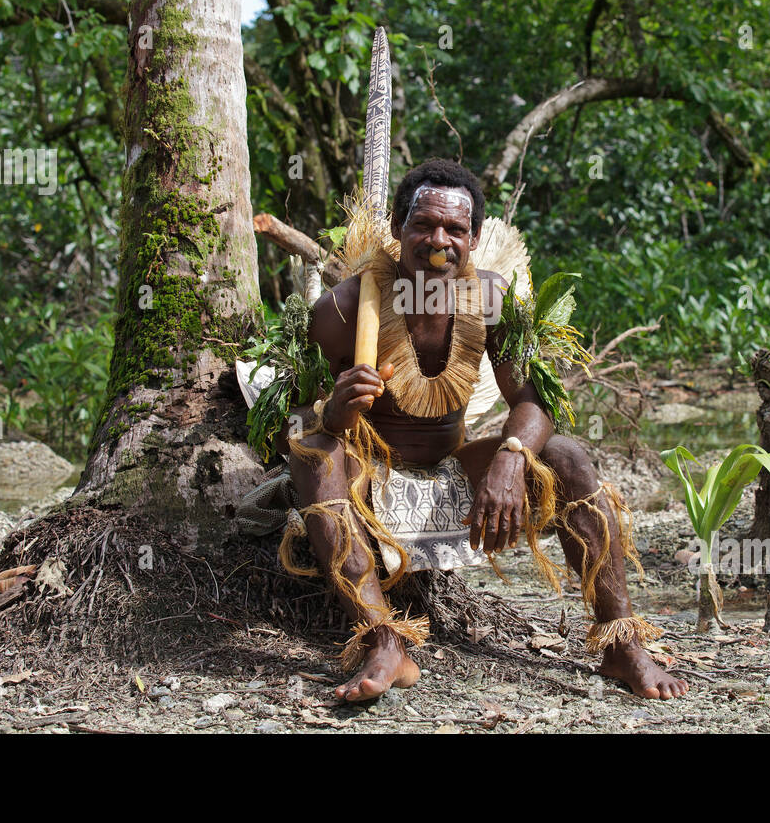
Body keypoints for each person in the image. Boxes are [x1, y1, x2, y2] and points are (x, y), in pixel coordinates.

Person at [283, 158, 688, 703]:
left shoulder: (493, 300)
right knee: (314, 454)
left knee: (566, 455)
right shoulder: (344, 308)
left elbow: (534, 400)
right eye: (423, 225)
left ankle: (621, 643)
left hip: (452, 472)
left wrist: (511, 457)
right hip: (368, 477)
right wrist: (335, 412)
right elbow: (299, 419)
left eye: (455, 229)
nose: (438, 240)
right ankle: (384, 640)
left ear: (473, 239)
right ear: (398, 230)